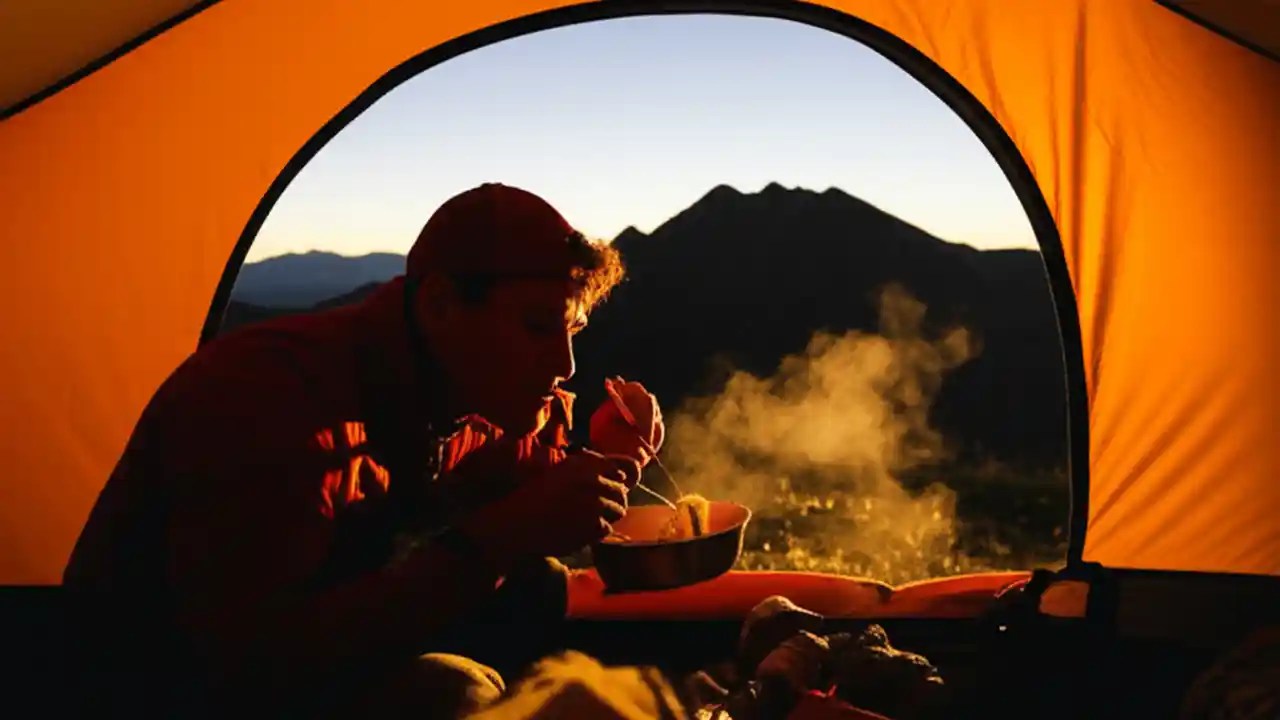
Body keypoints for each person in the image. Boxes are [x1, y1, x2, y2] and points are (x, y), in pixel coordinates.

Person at [61, 183, 668, 719]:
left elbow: (524, 471)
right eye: (537, 328)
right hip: (152, 689)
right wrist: (497, 539)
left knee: (536, 587)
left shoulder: (467, 391)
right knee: (449, 693)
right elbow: (251, 663)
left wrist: (610, 459)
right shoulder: (268, 399)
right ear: (439, 305)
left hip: (315, 646)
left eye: (573, 331)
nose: (564, 365)